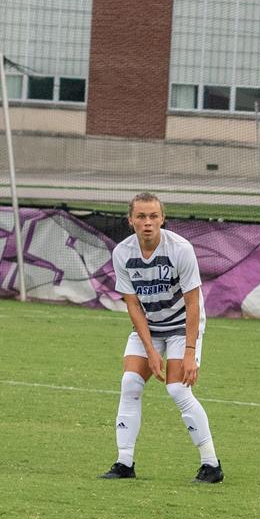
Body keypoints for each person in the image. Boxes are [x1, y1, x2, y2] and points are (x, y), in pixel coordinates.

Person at [101, 192, 224, 483]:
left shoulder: (180, 249)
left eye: (153, 216)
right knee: (130, 383)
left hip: (182, 326)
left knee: (178, 390)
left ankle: (211, 465)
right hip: (150, 326)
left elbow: (193, 303)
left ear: (162, 219)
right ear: (130, 220)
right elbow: (133, 305)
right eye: (141, 216)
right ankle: (124, 462)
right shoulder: (122, 253)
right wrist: (150, 350)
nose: (148, 222)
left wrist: (190, 351)